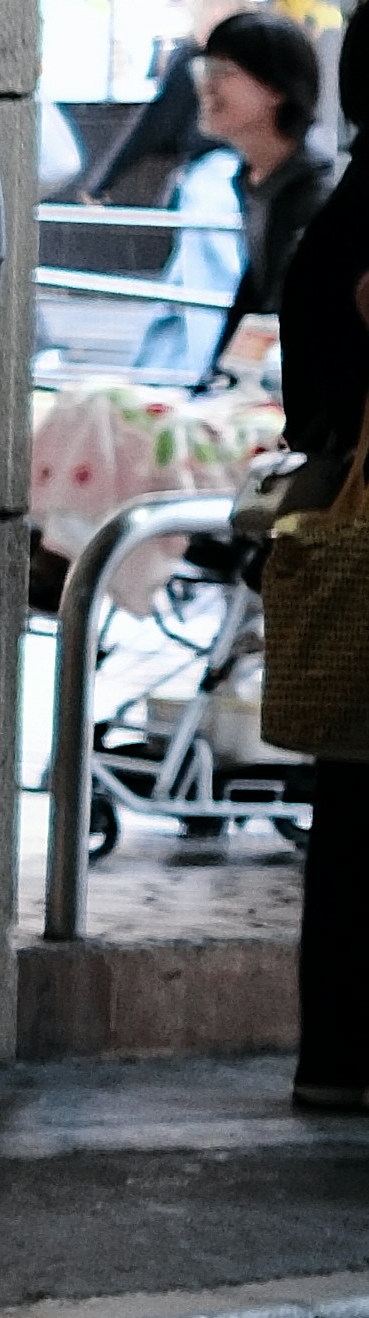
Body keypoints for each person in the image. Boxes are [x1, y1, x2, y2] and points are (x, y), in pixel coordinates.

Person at [273, 106, 369, 1118]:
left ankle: (336, 1055)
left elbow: (308, 404)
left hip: (350, 535)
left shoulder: (341, 205)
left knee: (348, 814)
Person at [135, 3, 329, 386]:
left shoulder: (314, 195)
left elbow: (292, 309)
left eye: (222, 72)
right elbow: (255, 291)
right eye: (203, 70)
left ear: (275, 89)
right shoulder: (253, 178)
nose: (205, 86)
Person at [89, 0, 249, 207]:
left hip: (213, 178)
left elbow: (157, 123)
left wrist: (103, 183)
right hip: (253, 174)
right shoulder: (252, 38)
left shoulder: (198, 50)